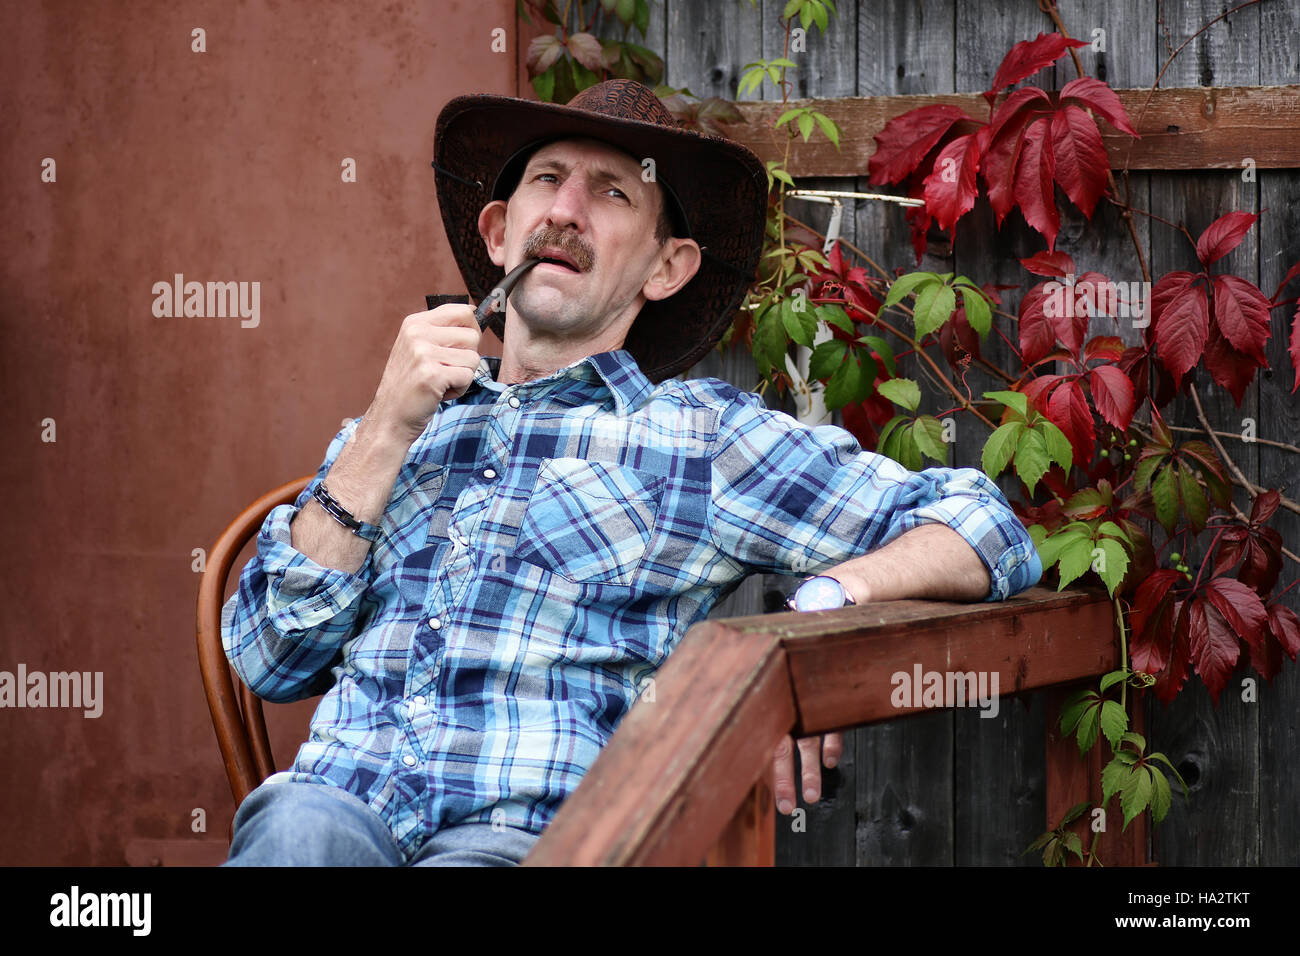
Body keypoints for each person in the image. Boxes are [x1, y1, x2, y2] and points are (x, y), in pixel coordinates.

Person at [221, 79, 1042, 866]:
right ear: (500, 232)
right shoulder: (390, 430)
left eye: (612, 192)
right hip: (334, 811)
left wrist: (828, 611)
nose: (565, 211)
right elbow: (271, 661)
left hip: (529, 839)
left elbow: (985, 528)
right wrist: (383, 431)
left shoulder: (700, 439)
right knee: (295, 829)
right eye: (548, 180)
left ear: (666, 268)